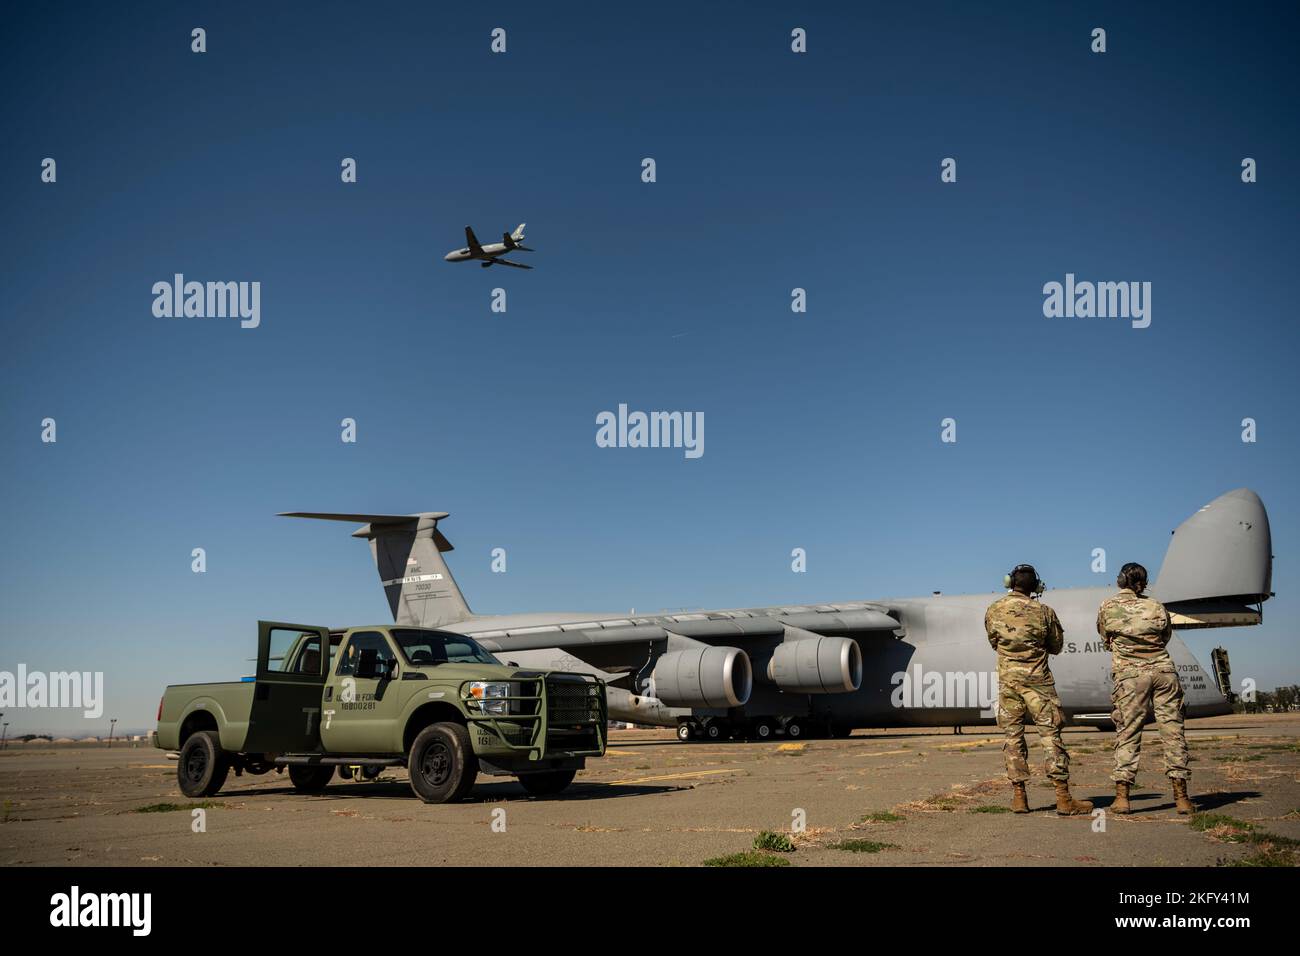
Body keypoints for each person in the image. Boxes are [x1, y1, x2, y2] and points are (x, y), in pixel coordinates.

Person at [986, 564, 1093, 815]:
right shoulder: (1044, 612)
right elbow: (1056, 646)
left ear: (1009, 583)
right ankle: (1063, 798)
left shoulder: (994, 610)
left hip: (1008, 683)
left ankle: (1019, 798)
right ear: (1036, 587)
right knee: (1050, 737)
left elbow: (994, 642)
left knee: (1013, 738)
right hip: (1039, 684)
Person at [1097, 562, 1194, 814]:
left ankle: (1122, 798)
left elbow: (1105, 637)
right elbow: (1165, 637)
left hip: (1131, 677)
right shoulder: (1156, 606)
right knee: (1173, 733)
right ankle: (1182, 798)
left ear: (1121, 580)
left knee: (1128, 732)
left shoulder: (1108, 606)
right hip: (1164, 673)